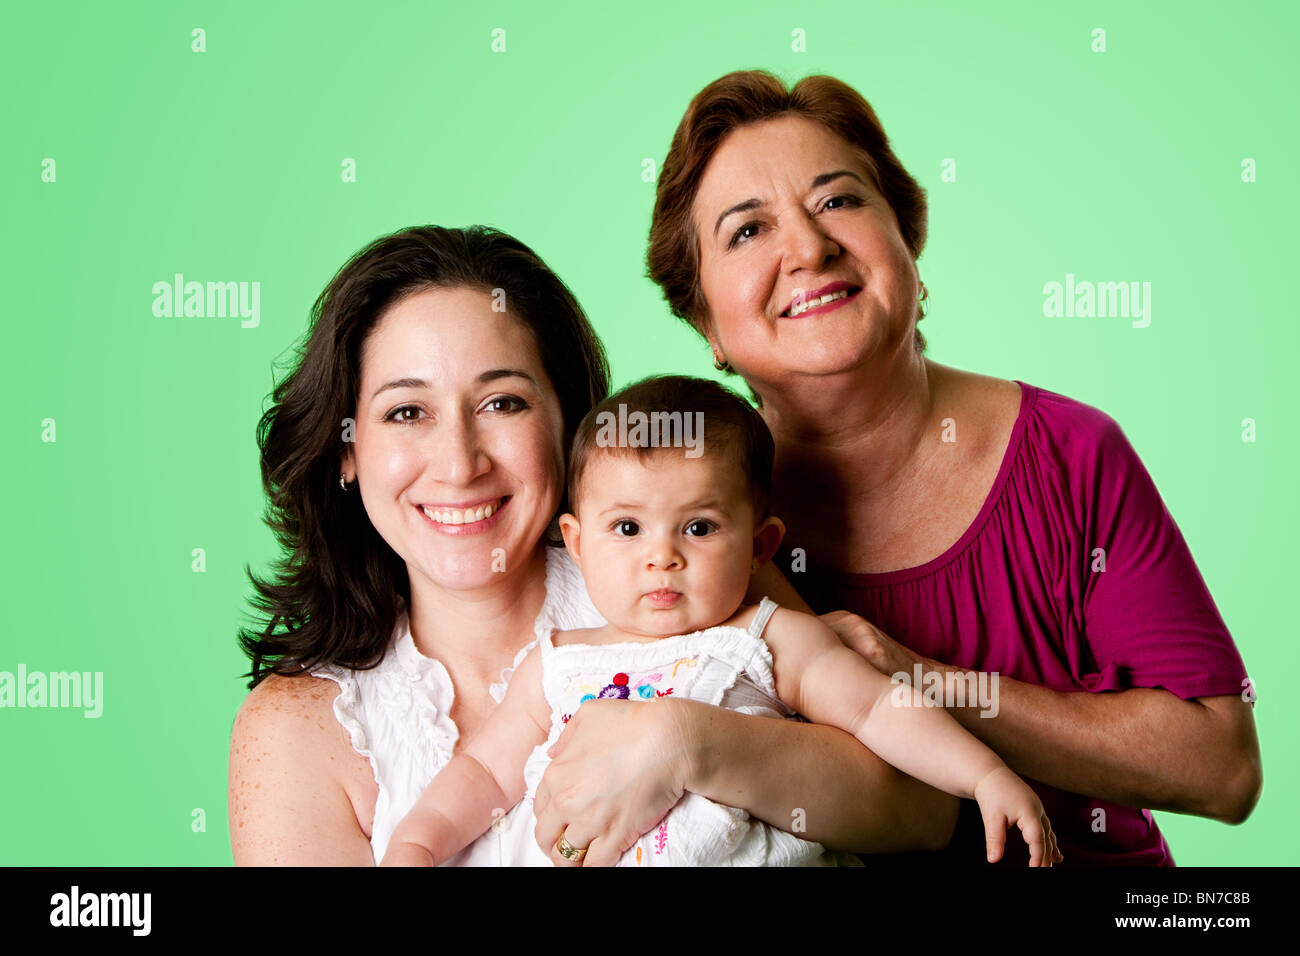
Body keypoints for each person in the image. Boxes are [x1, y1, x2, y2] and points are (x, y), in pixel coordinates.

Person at [645, 71, 1263, 865]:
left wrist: (920, 678)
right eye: (747, 231)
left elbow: (1224, 768)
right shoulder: (664, 518)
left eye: (838, 200)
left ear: (908, 244)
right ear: (706, 324)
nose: (808, 247)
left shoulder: (1072, 454)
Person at [228, 224, 961, 866]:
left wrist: (689, 743)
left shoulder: (677, 568)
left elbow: (928, 813)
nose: (459, 462)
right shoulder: (296, 730)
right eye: (407, 411)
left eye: (503, 403)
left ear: (569, 429)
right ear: (346, 449)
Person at [381, 375, 1062, 867]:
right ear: (579, 542)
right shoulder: (556, 663)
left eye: (699, 527)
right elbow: (483, 778)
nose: (662, 557)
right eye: (627, 528)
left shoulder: (770, 638)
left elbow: (881, 711)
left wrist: (983, 775)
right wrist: (415, 846)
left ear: (761, 546)